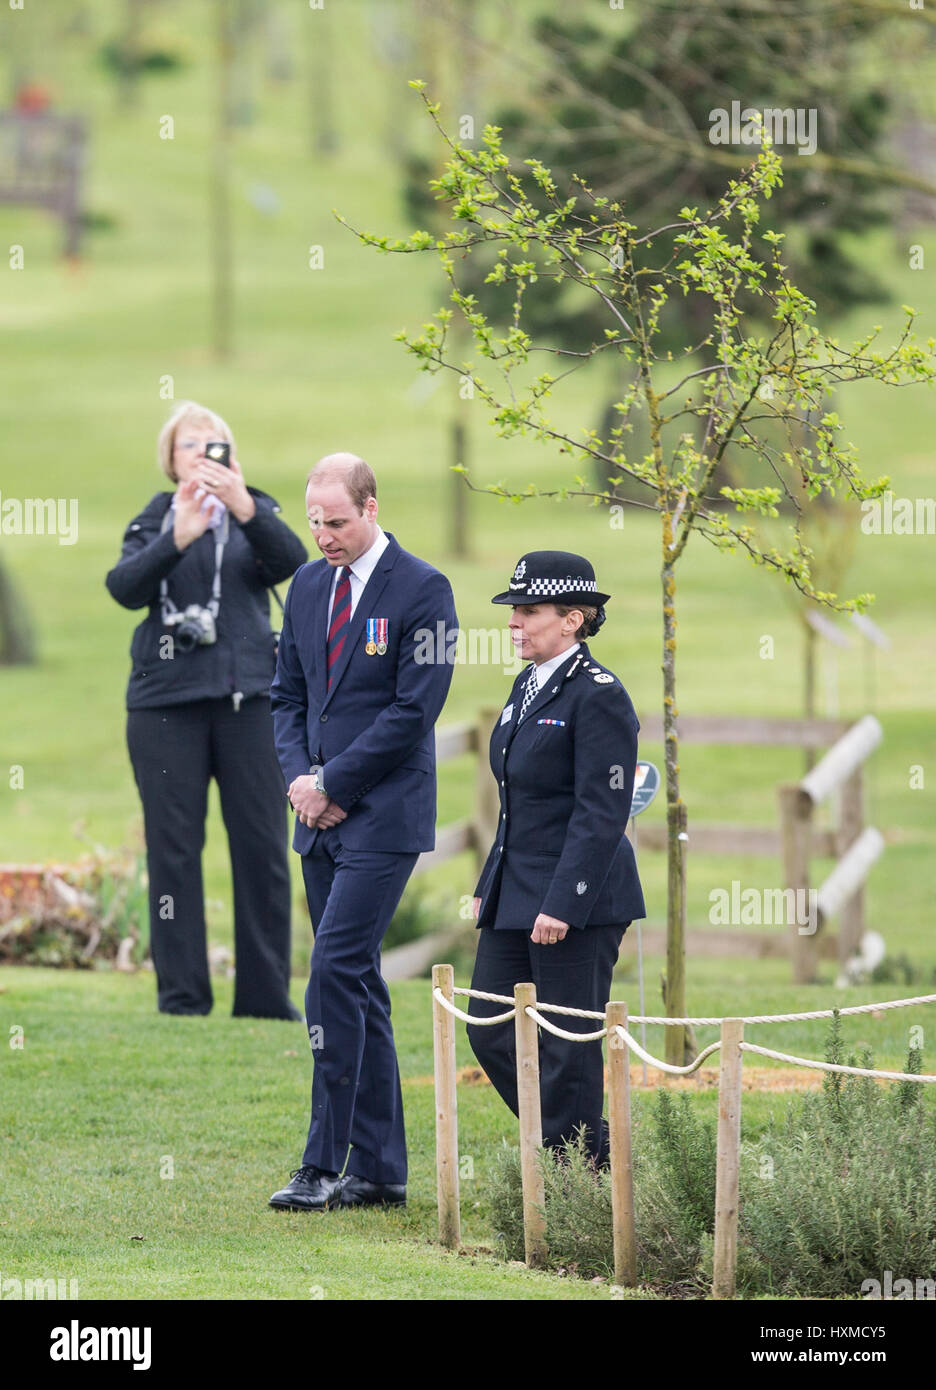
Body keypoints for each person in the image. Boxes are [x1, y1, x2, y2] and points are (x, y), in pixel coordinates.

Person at [267, 453, 457, 1211]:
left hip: (385, 816)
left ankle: (320, 1163)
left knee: (332, 973)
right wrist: (300, 785)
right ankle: (380, 1172)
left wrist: (335, 782)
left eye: (337, 521)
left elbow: (415, 710)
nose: (323, 536)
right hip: (316, 815)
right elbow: (285, 696)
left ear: (372, 507)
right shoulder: (308, 586)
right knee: (362, 985)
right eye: (313, 521)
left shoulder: (424, 589)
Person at [106, 401, 308, 1019]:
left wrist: (244, 507)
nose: (201, 453)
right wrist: (179, 536)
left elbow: (295, 566)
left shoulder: (256, 512)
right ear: (170, 460)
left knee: (263, 850)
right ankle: (183, 998)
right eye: (188, 445)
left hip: (249, 704)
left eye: (213, 443)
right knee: (172, 850)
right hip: (165, 709)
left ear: (232, 456)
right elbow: (125, 588)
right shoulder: (153, 520)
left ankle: (266, 999)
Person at [466, 550, 646, 1167]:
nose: (515, 621)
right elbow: (517, 801)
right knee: (487, 1025)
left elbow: (602, 812)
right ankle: (586, 1152)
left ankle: (576, 1182)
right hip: (515, 892)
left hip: (578, 899)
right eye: (513, 609)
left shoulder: (599, 696)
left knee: (568, 1044)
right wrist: (490, 887)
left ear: (574, 619)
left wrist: (563, 903)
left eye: (529, 610)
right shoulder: (527, 683)